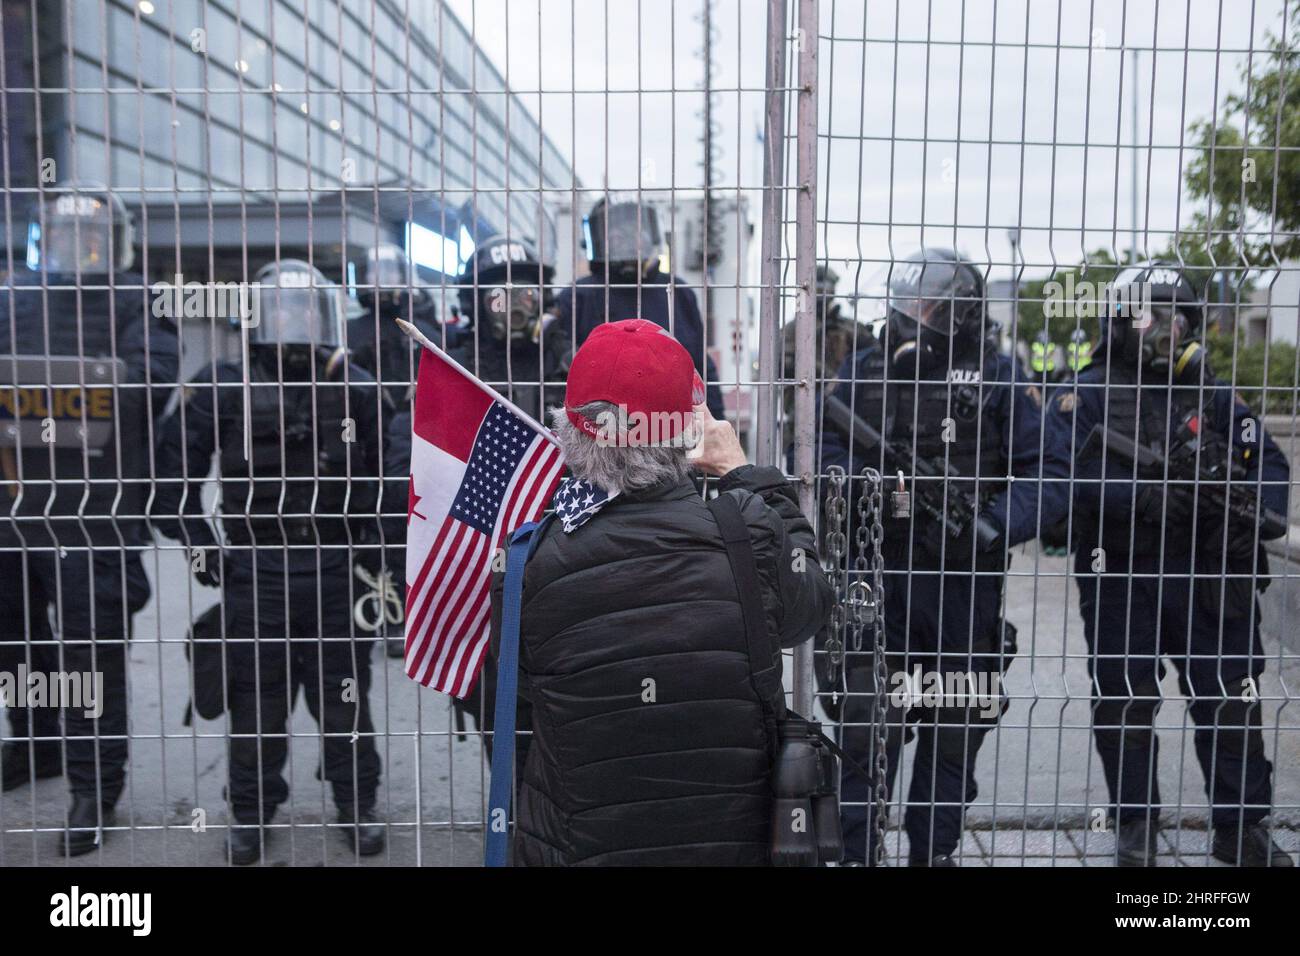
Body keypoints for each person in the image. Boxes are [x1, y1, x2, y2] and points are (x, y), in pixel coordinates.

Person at [493, 318, 833, 865]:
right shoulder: (744, 528)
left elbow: (512, 694)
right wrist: (746, 474)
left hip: (577, 845)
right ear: (686, 432)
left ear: (573, 430)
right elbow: (810, 608)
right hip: (732, 844)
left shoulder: (528, 559)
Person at [820, 248, 1071, 866]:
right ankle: (857, 854)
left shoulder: (999, 376)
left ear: (959, 317)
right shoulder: (863, 372)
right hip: (874, 579)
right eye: (905, 304)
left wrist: (991, 525)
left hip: (964, 583)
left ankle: (934, 854)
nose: (911, 317)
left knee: (955, 726)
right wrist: (873, 485)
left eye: (925, 308)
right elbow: (821, 452)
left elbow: (1053, 470)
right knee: (864, 725)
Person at [1047, 262, 1293, 867]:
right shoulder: (1088, 393)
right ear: (1121, 322)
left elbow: (1269, 466)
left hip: (1210, 573)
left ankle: (1242, 830)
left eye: (1179, 317)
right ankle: (1135, 826)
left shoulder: (1212, 393)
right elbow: (1060, 482)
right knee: (1124, 699)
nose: (1167, 328)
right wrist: (1143, 497)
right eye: (1152, 315)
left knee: (1231, 698)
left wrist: (1249, 521)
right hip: (1122, 572)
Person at [152, 259, 385, 865]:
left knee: (344, 697)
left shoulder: (355, 387)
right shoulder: (222, 385)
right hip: (256, 566)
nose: (294, 322)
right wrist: (203, 544)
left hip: (335, 564)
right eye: (281, 309)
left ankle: (357, 804)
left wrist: (373, 559)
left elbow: (389, 481)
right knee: (257, 699)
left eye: (306, 309)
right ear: (258, 319)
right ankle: (251, 813)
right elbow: (167, 478)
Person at [0, 184, 178, 855]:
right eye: (66, 236)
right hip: (12, 506)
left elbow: (148, 382)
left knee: (90, 656)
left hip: (94, 512)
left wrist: (29, 392)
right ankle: (36, 742)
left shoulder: (137, 297)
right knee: (15, 644)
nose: (80, 247)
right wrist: (76, 391)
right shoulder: (12, 293)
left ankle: (93, 789)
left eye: (93, 236)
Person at [554, 198, 726, 419]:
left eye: (633, 231)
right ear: (601, 239)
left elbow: (701, 366)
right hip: (600, 427)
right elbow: (561, 375)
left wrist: (716, 423)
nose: (626, 241)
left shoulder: (677, 292)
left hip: (667, 425)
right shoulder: (579, 296)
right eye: (616, 233)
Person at [350, 242, 437, 658]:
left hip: (420, 436)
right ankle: (392, 611)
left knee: (421, 523)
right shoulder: (354, 330)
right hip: (370, 438)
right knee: (379, 527)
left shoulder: (424, 326)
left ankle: (423, 613)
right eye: (374, 272)